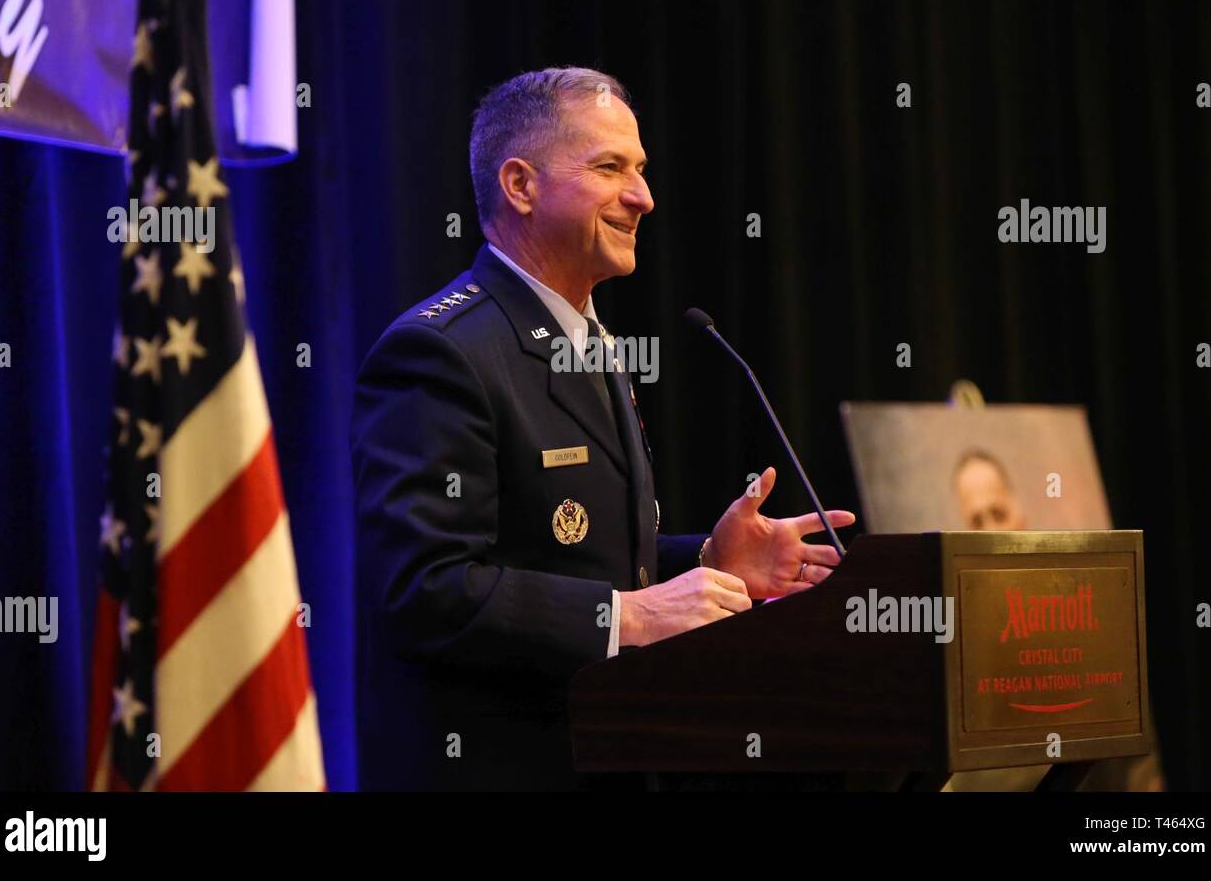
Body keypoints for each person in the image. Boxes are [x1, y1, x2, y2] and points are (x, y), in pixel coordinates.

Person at [351, 67, 854, 790]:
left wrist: (710, 558)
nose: (643, 196)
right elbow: (423, 589)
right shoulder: (440, 351)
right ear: (520, 186)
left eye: (642, 170)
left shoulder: (588, 339)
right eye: (610, 167)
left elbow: (575, 552)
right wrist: (626, 617)